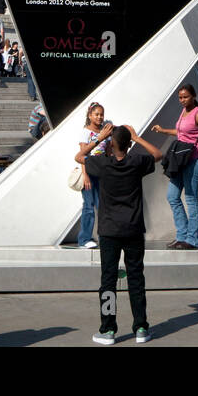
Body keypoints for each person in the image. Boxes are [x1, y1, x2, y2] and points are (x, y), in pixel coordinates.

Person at [78, 124, 162, 344]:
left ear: (110, 143)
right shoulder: (137, 162)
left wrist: (98, 139)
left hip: (109, 230)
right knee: (136, 279)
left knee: (108, 281)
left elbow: (79, 156)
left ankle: (108, 330)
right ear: (129, 143)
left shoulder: (102, 164)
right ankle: (141, 328)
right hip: (133, 228)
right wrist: (137, 137)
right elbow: (157, 154)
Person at [150, 84, 198, 250]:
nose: (182, 100)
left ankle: (192, 240)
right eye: (180, 97)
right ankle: (182, 236)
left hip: (196, 159)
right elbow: (182, 132)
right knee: (172, 196)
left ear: (193, 96)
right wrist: (163, 130)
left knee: (190, 198)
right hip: (181, 159)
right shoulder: (184, 111)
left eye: (185, 97)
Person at [75, 103, 114, 249]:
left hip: (102, 172)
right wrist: (85, 176)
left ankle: (104, 237)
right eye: (96, 114)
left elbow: (109, 153)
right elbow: (82, 155)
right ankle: (84, 239)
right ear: (90, 115)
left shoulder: (106, 132)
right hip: (90, 172)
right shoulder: (86, 132)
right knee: (89, 206)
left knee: (102, 206)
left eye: (101, 114)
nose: (99, 117)